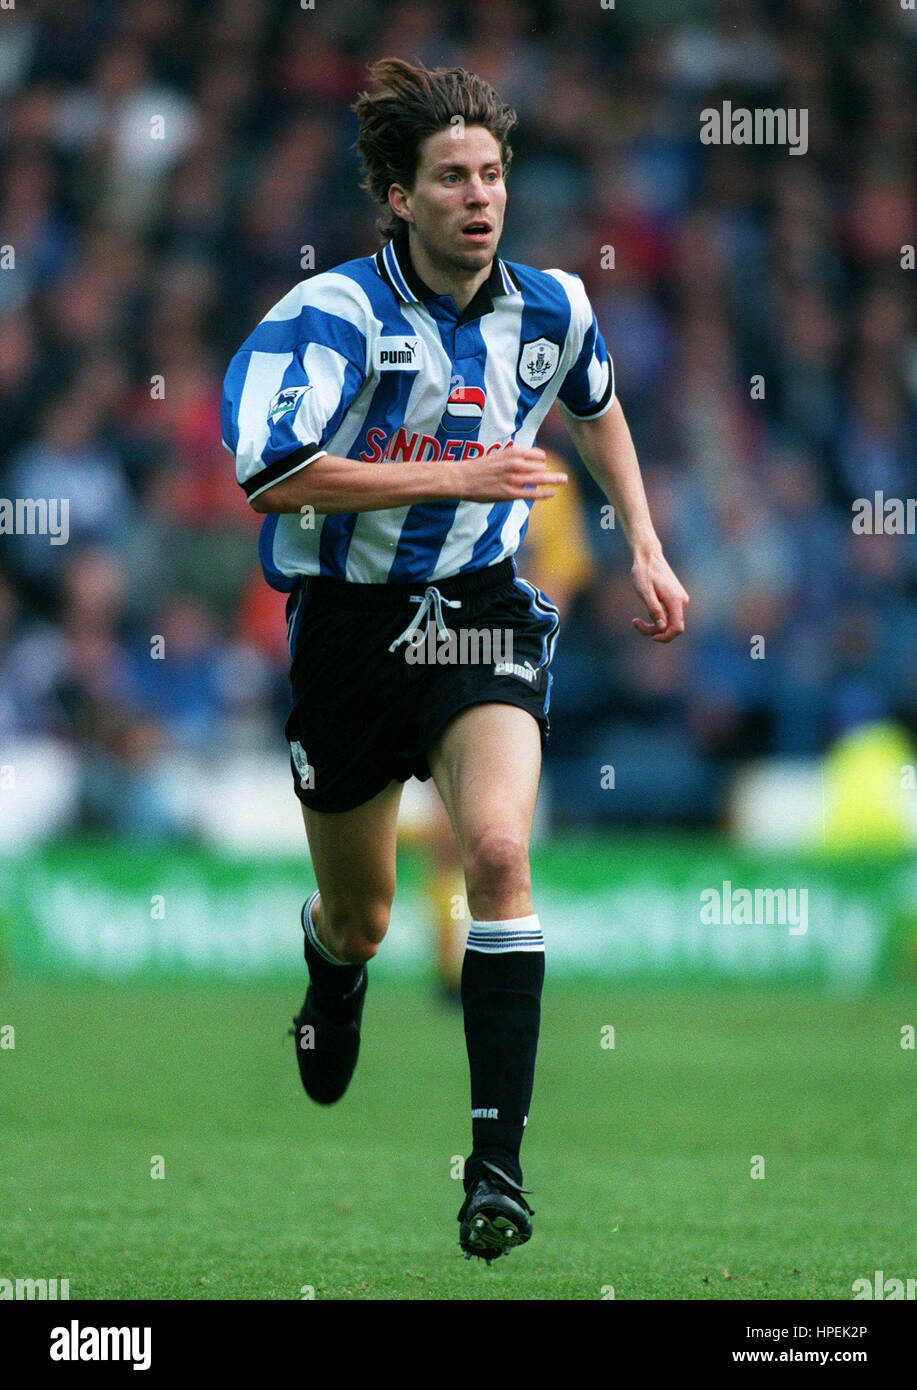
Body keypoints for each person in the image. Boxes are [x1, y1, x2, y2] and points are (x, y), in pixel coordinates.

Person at [221, 58, 688, 1263]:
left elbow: (595, 407)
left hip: (479, 609)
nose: (477, 196)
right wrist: (455, 471)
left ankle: (496, 1167)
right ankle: (332, 971)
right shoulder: (326, 318)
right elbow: (270, 474)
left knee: (495, 849)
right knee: (366, 912)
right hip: (347, 628)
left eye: (490, 173)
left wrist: (642, 542)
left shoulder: (552, 306)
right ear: (394, 195)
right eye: (448, 177)